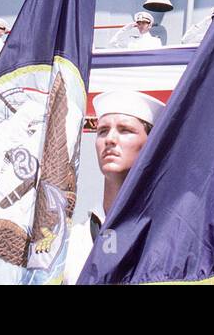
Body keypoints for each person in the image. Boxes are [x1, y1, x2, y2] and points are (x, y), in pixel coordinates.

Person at [64, 90, 166, 284]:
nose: (110, 139)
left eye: (125, 130)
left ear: (152, 144)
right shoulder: (72, 243)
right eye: (102, 131)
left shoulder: (166, 238)